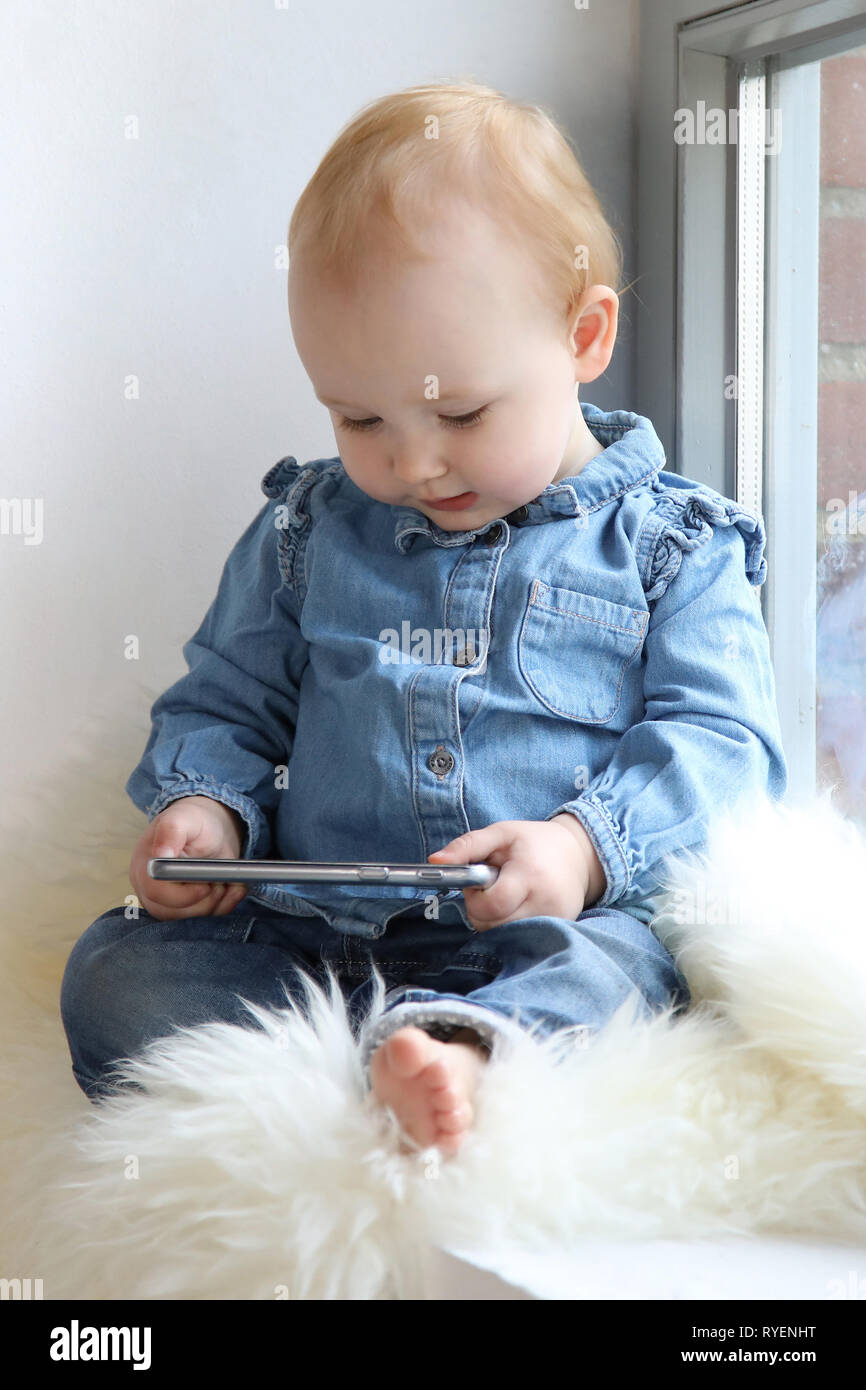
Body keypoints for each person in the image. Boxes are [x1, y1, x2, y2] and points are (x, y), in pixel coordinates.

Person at [60, 81, 788, 1157]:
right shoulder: (308, 531)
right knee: (112, 969)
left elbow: (723, 748)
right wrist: (205, 809)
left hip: (541, 940)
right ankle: (378, 1065)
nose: (410, 461)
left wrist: (582, 847)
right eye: (358, 417)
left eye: (459, 412)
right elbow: (225, 700)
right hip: (312, 940)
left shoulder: (670, 546)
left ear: (583, 336)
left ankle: (464, 1048)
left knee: (627, 974)